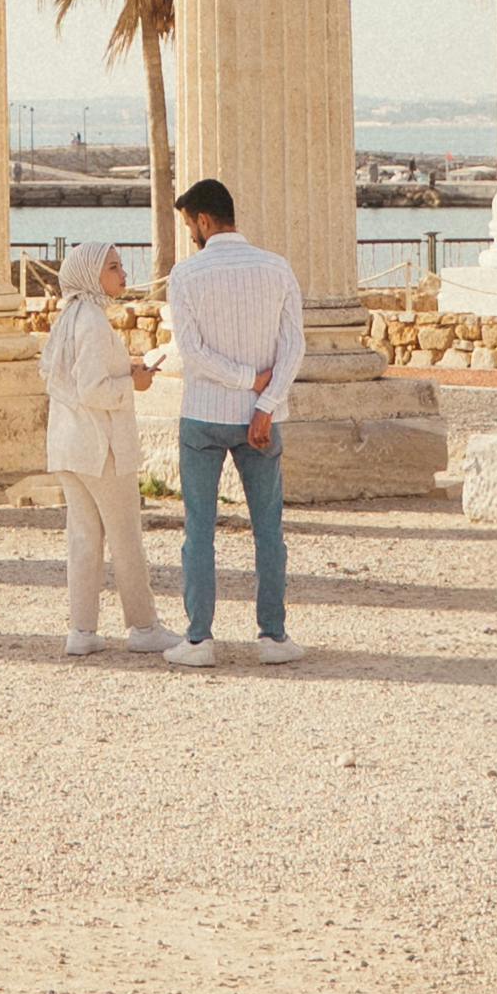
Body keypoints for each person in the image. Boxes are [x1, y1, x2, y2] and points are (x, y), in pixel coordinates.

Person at [163, 175, 301, 661]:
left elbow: (193, 354)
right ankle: (273, 637)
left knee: (199, 528)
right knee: (268, 528)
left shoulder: (185, 275)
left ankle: (199, 638)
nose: (190, 236)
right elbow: (293, 348)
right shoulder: (277, 268)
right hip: (260, 421)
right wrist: (264, 402)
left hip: (202, 415)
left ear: (203, 220)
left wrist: (246, 380)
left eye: (189, 225)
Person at [39, 244, 161, 656]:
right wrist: (134, 385)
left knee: (84, 537)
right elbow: (92, 389)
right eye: (113, 267)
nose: (122, 273)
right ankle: (143, 627)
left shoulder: (72, 316)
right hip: (100, 448)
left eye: (121, 265)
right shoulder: (91, 320)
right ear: (91, 274)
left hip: (70, 447)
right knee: (126, 536)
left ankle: (82, 631)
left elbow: (78, 378)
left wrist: (126, 369)